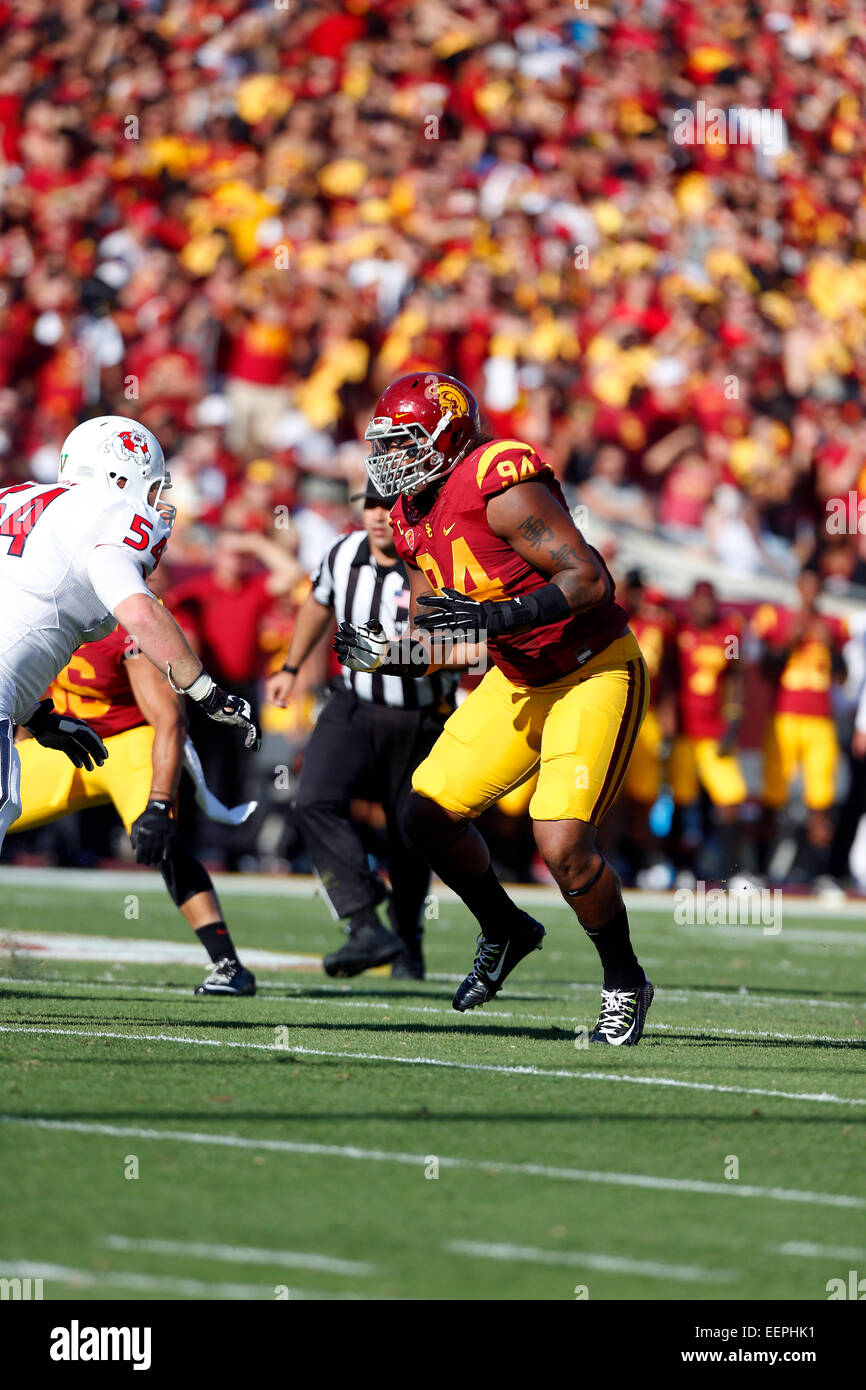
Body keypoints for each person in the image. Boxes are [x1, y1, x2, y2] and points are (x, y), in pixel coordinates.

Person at [335, 373, 653, 1045]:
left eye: (403, 443)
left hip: (590, 670)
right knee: (424, 813)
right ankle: (506, 927)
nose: (389, 460)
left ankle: (625, 981)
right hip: (516, 676)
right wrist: (386, 654)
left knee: (561, 843)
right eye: (384, 446)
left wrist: (497, 614)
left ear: (446, 437)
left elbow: (591, 579)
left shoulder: (496, 480)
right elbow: (445, 637)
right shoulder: (407, 517)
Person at [0, 415, 260, 857]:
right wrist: (207, 693)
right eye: (151, 487)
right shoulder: (113, 513)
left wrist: (37, 718)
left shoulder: (16, 496)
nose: (156, 503)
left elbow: (18, 625)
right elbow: (139, 611)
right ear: (119, 476)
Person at [267, 477, 462, 979]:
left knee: (408, 832)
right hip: (352, 704)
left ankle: (407, 938)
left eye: (389, 505)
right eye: (371, 505)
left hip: (420, 716)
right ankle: (362, 920)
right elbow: (318, 601)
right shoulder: (342, 553)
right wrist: (291, 668)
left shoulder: (436, 561)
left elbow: (469, 645)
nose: (379, 515)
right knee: (313, 800)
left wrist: (398, 657)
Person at [10, 620, 255, 996]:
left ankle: (229, 965)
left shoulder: (131, 619)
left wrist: (158, 803)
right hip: (62, 738)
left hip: (129, 741)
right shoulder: (48, 603)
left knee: (159, 839)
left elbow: (169, 718)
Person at [668, 580, 748, 879]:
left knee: (730, 800)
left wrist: (735, 720)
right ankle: (681, 868)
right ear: (690, 603)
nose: (704, 607)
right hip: (685, 732)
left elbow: (737, 677)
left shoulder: (729, 633)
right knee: (682, 799)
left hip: (714, 732)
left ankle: (732, 872)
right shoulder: (680, 632)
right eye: (698, 601)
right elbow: (670, 677)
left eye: (709, 601)